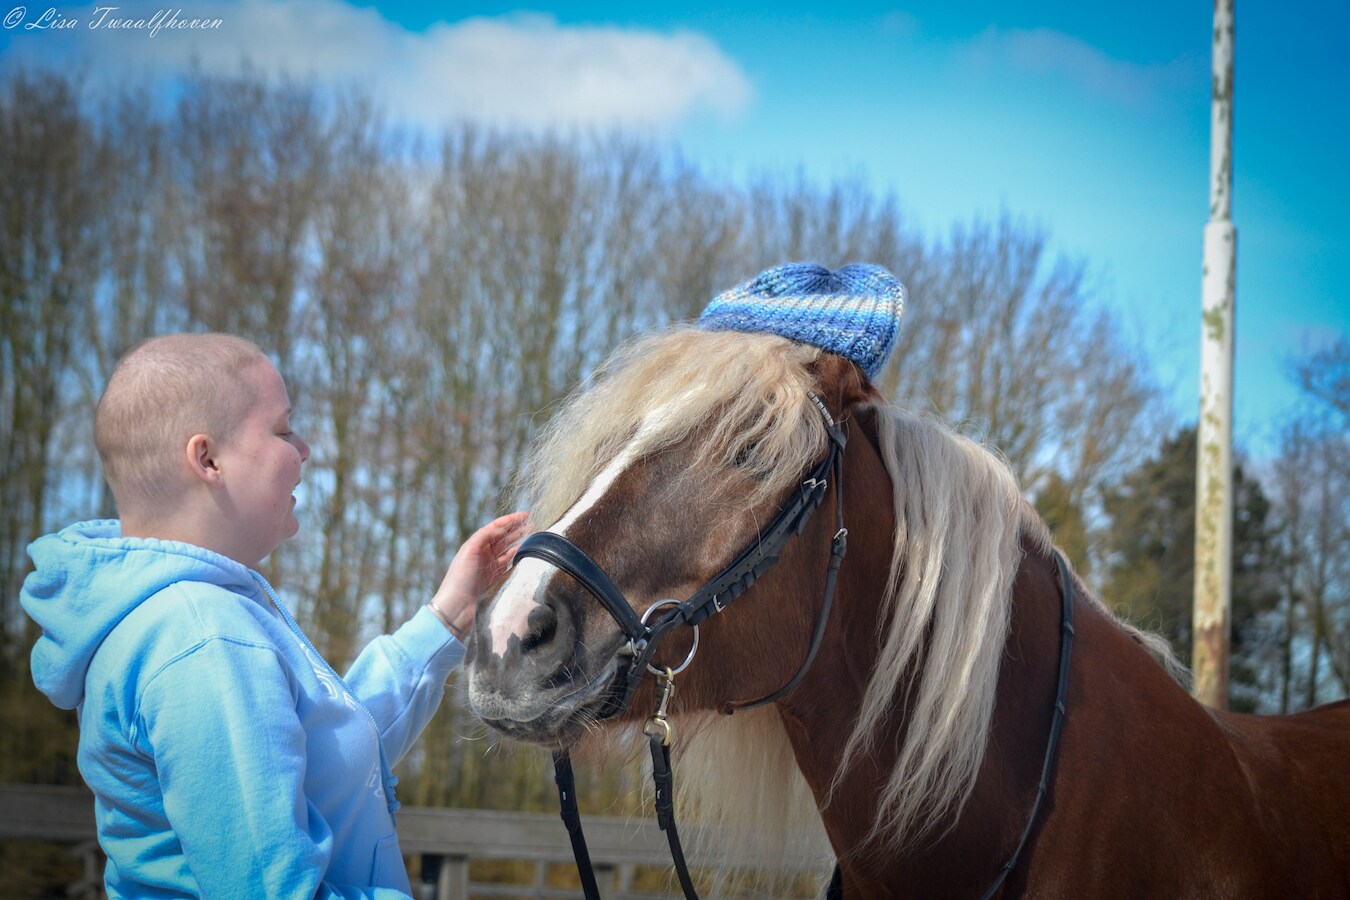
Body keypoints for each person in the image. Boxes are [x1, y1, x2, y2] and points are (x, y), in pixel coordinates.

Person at [20, 333, 528, 898]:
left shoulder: (198, 618)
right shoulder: (205, 638)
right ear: (207, 459)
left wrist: (449, 615)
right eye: (283, 429)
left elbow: (331, 770)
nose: (305, 448)